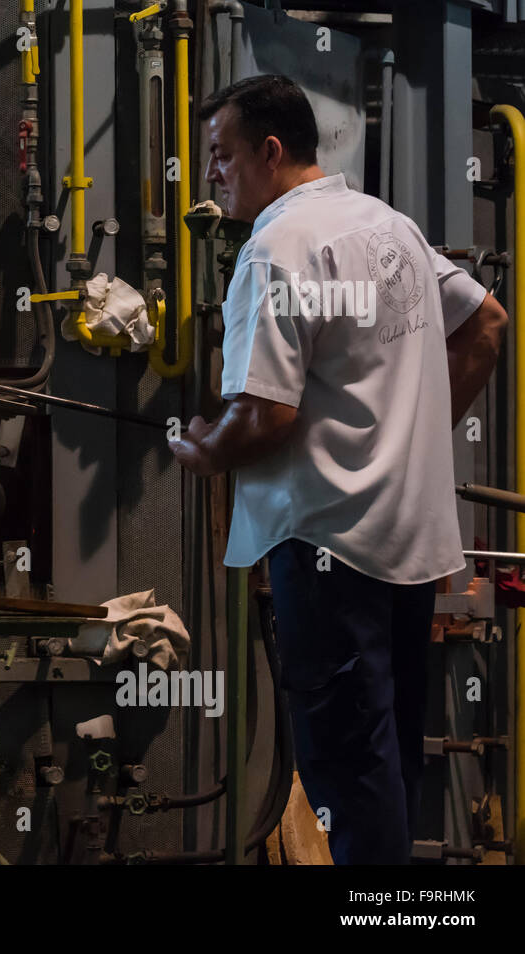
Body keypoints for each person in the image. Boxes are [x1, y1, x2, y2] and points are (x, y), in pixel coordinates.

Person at [168, 75, 508, 863]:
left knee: (345, 771)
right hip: (408, 542)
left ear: (271, 150)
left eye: (222, 156)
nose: (213, 174)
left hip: (329, 544)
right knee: (386, 756)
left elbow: (266, 415)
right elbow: (486, 322)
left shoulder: (277, 247)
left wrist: (201, 450)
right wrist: (410, 436)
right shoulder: (388, 226)